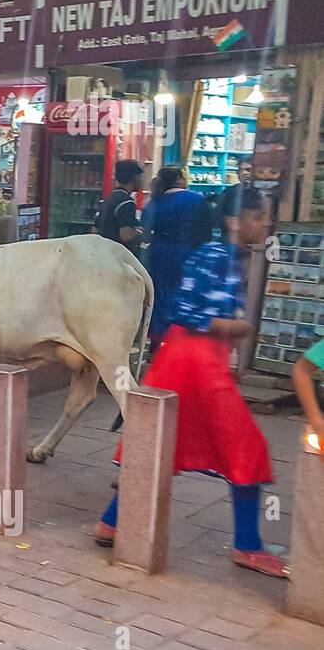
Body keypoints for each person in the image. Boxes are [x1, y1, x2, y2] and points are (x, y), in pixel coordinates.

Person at [94, 191, 285, 578]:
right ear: (235, 221)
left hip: (180, 360)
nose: (265, 223)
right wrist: (240, 328)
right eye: (258, 216)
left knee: (159, 445)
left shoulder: (219, 254)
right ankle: (248, 545)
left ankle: (111, 523)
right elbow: (189, 313)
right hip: (197, 364)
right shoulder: (220, 256)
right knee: (246, 447)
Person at [142, 165, 214, 347]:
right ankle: (179, 340)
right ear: (179, 180)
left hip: (158, 254)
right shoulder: (197, 199)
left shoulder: (154, 202)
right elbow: (207, 230)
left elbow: (146, 232)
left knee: (158, 295)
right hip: (188, 253)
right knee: (184, 294)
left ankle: (155, 341)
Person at [96, 159, 144, 254]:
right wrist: (140, 232)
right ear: (134, 177)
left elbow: (94, 230)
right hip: (118, 256)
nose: (141, 180)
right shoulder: (127, 202)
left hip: (103, 253)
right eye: (140, 176)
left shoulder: (108, 199)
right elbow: (126, 235)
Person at [220, 157, 255, 243]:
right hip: (231, 239)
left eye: (248, 169)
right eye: (241, 170)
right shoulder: (229, 192)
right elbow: (218, 216)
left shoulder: (264, 194)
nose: (245, 173)